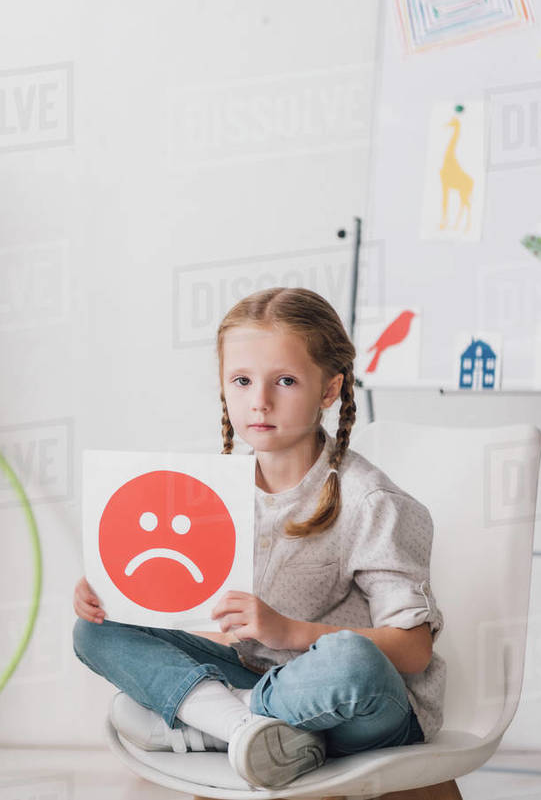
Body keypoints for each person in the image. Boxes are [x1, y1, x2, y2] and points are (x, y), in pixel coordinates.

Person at [71, 287, 446, 790]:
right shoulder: (212, 491)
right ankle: (246, 727)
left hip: (362, 704)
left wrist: (290, 632)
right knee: (93, 632)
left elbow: (413, 650)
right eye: (242, 381)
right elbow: (211, 625)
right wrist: (114, 598)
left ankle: (217, 721)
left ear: (329, 390)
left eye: (285, 381)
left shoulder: (372, 502)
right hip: (255, 674)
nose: (259, 402)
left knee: (352, 660)